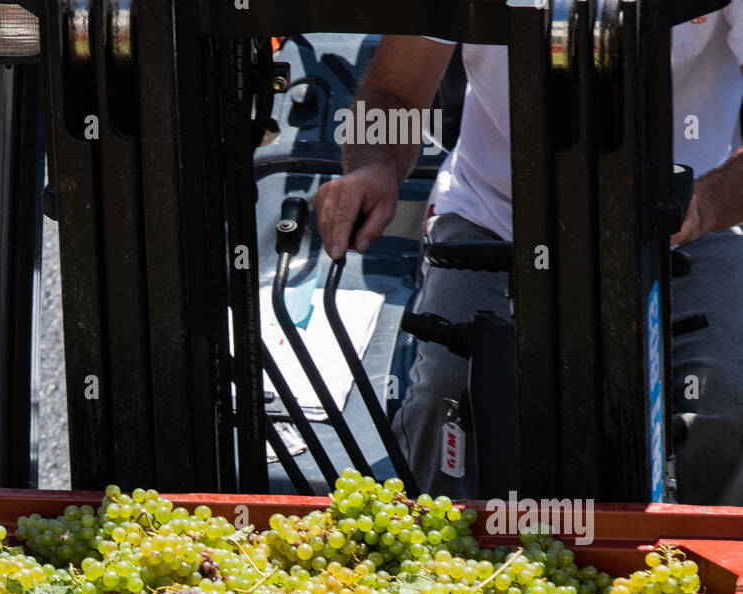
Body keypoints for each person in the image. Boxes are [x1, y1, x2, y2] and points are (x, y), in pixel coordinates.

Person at [313, 14, 743, 502]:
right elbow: (396, 92)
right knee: (449, 395)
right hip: (494, 214)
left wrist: (704, 201)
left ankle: (702, 563)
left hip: (684, 223)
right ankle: (431, 569)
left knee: (726, 405)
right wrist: (375, 165)